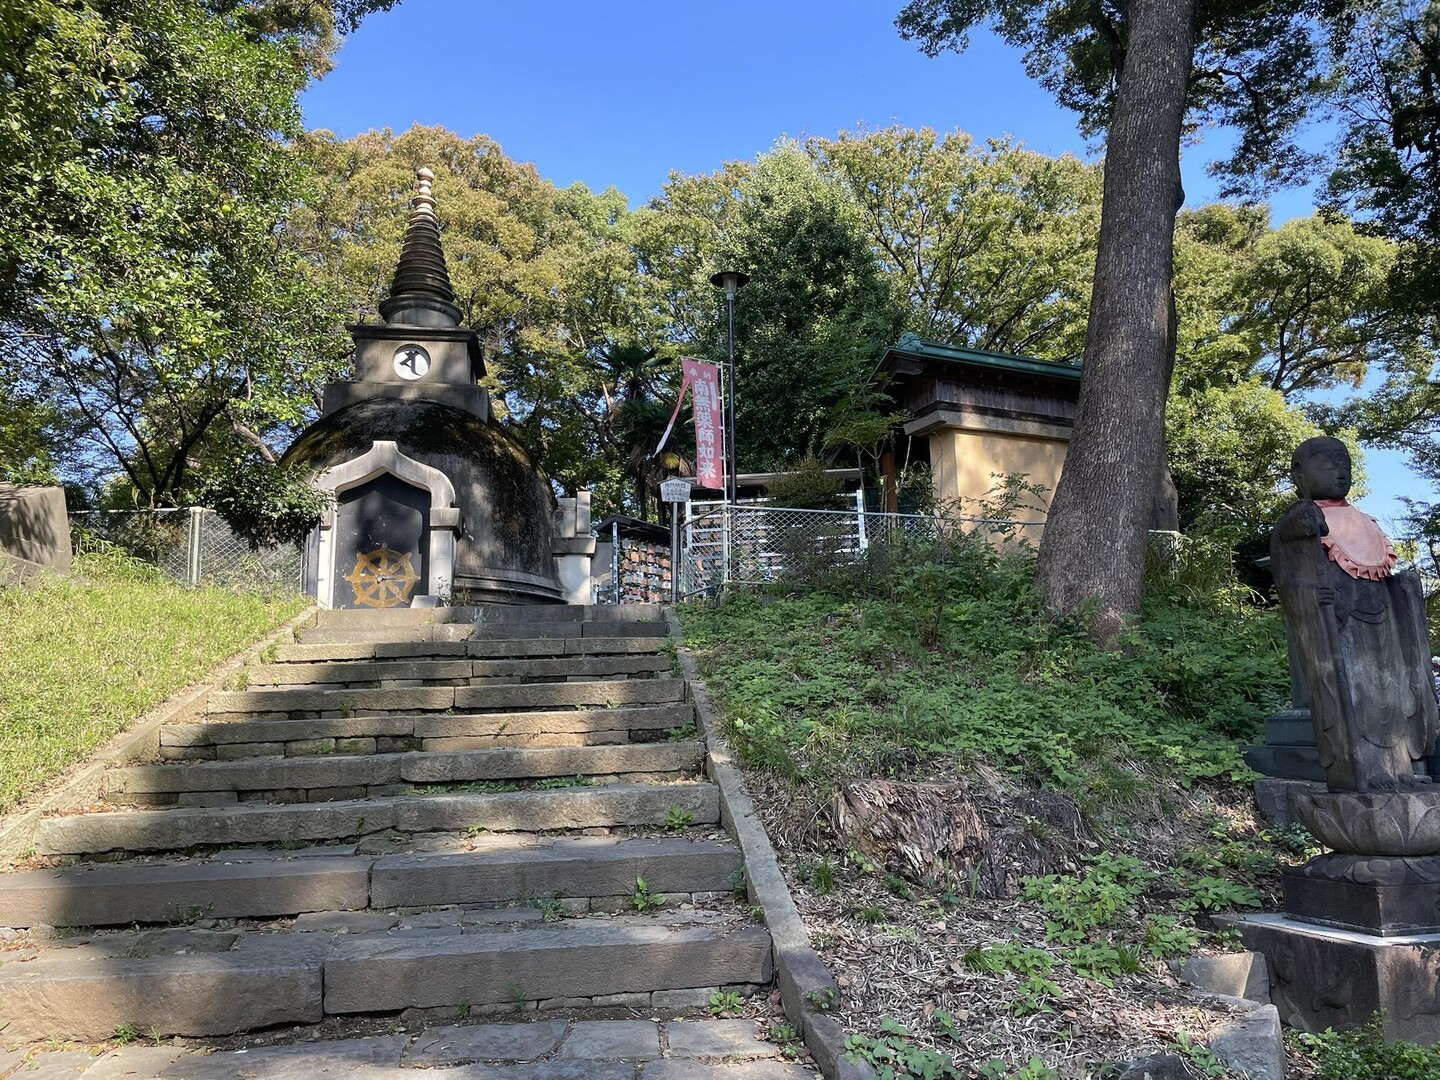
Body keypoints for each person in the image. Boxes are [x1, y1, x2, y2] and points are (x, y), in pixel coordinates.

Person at [1271, 436, 1438, 792]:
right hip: (1342, 627)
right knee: (1356, 695)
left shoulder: (1364, 520)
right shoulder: (1299, 520)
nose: (1340, 470)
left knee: (1392, 695)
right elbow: (1290, 580)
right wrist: (1315, 596)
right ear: (1299, 473)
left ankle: (1400, 769)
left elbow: (1384, 576)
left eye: (1344, 463)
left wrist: (1404, 589)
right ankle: (1364, 770)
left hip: (1383, 622)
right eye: (1328, 463)